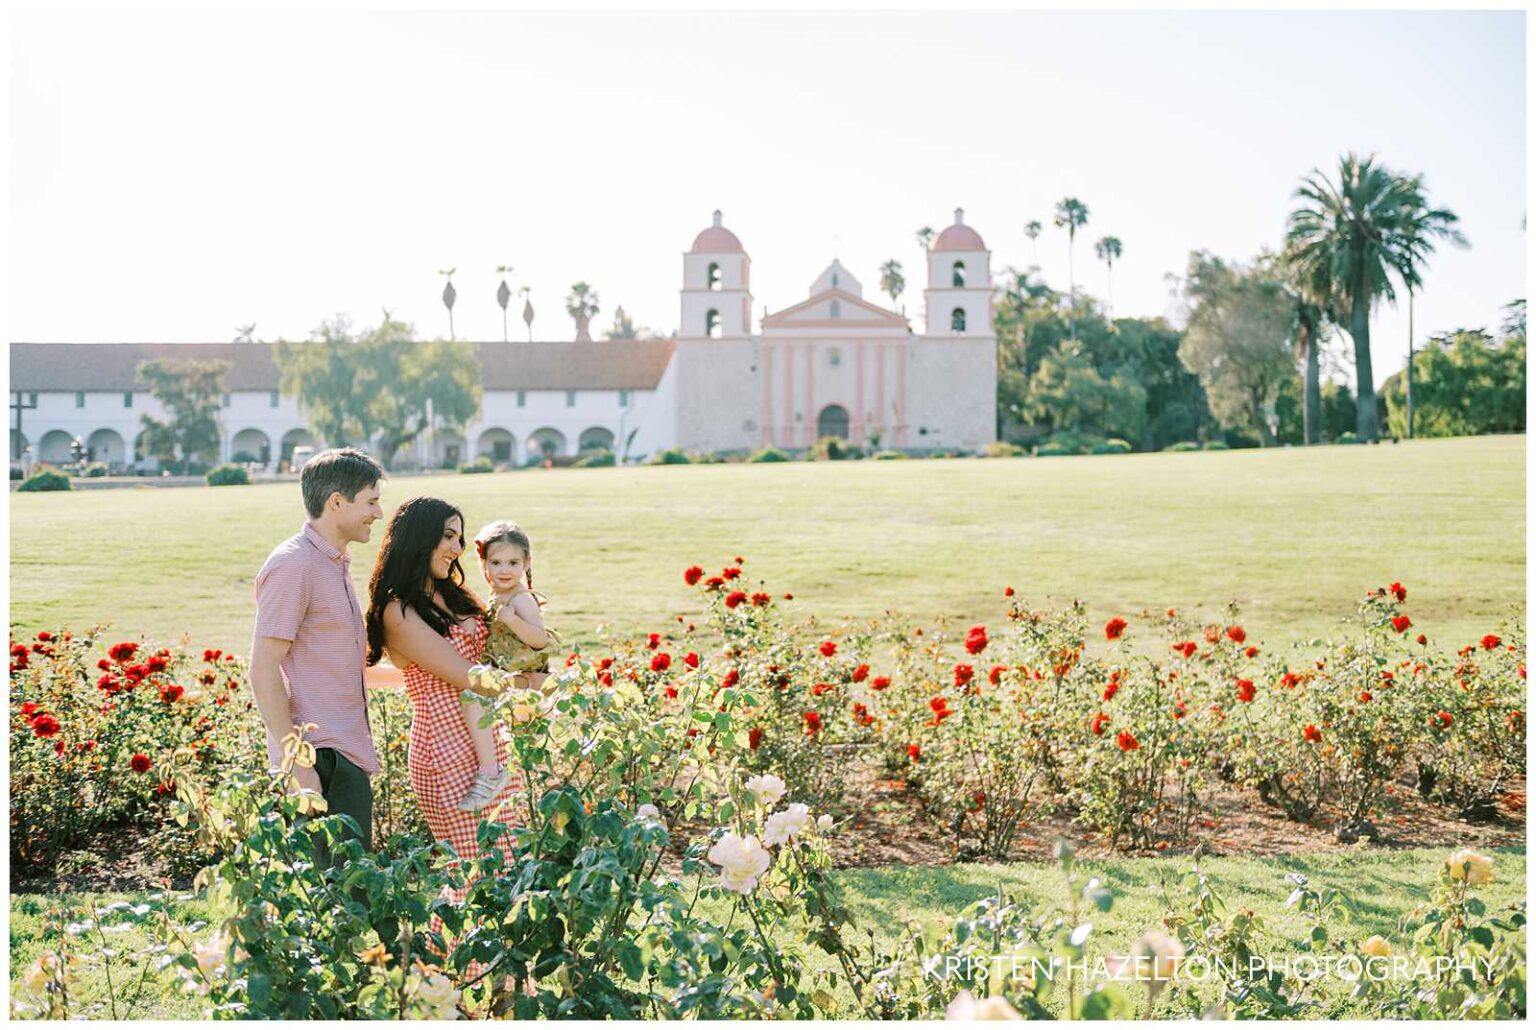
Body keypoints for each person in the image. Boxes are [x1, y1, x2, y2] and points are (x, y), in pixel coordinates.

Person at [249, 447, 385, 860]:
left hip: (343, 754)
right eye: (372, 501)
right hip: (320, 761)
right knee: (335, 900)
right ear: (337, 502)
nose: (378, 514)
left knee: (351, 896)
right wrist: (302, 770)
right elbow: (263, 669)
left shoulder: (332, 563)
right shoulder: (296, 565)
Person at [456, 520, 554, 812]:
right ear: (484, 564)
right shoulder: (499, 595)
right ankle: (514, 787)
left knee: (473, 698)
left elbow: (539, 639)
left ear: (527, 562)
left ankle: (490, 772)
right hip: (509, 671)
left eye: (513, 562)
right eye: (496, 562)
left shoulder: (522, 600)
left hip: (526, 675)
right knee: (520, 744)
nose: (505, 570)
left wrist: (512, 620)